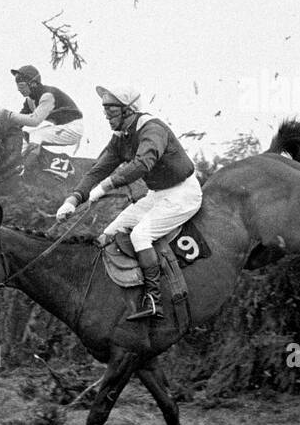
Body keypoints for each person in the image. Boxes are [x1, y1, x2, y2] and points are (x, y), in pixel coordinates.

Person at [55, 86, 200, 321]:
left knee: (140, 235)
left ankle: (154, 300)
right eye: (105, 111)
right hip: (159, 193)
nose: (107, 117)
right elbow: (97, 170)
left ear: (129, 111)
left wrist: (107, 186)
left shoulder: (152, 129)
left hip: (183, 193)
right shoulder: (121, 137)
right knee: (110, 232)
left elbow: (143, 163)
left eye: (112, 111)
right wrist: (73, 199)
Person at [5, 64, 84, 167]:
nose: (19, 89)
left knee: (35, 135)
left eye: (21, 86)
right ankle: (16, 165)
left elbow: (34, 121)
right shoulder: (30, 100)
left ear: (33, 84)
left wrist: (8, 115)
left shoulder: (48, 96)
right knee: (24, 137)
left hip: (73, 129)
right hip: (61, 127)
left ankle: (23, 169)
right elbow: (18, 122)